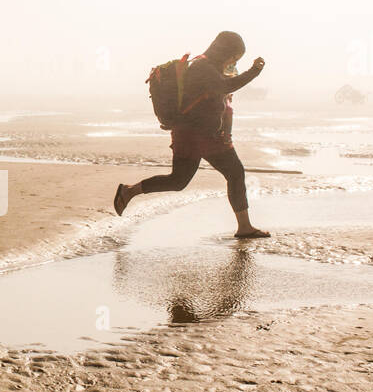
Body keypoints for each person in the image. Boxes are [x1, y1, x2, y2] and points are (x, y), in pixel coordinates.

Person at [113, 31, 270, 238]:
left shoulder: (210, 67)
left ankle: (244, 227)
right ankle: (129, 191)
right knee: (185, 180)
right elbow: (225, 86)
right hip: (193, 134)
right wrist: (254, 71)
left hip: (204, 134)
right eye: (234, 57)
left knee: (214, 176)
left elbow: (219, 95)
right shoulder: (202, 67)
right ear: (225, 51)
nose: (233, 62)